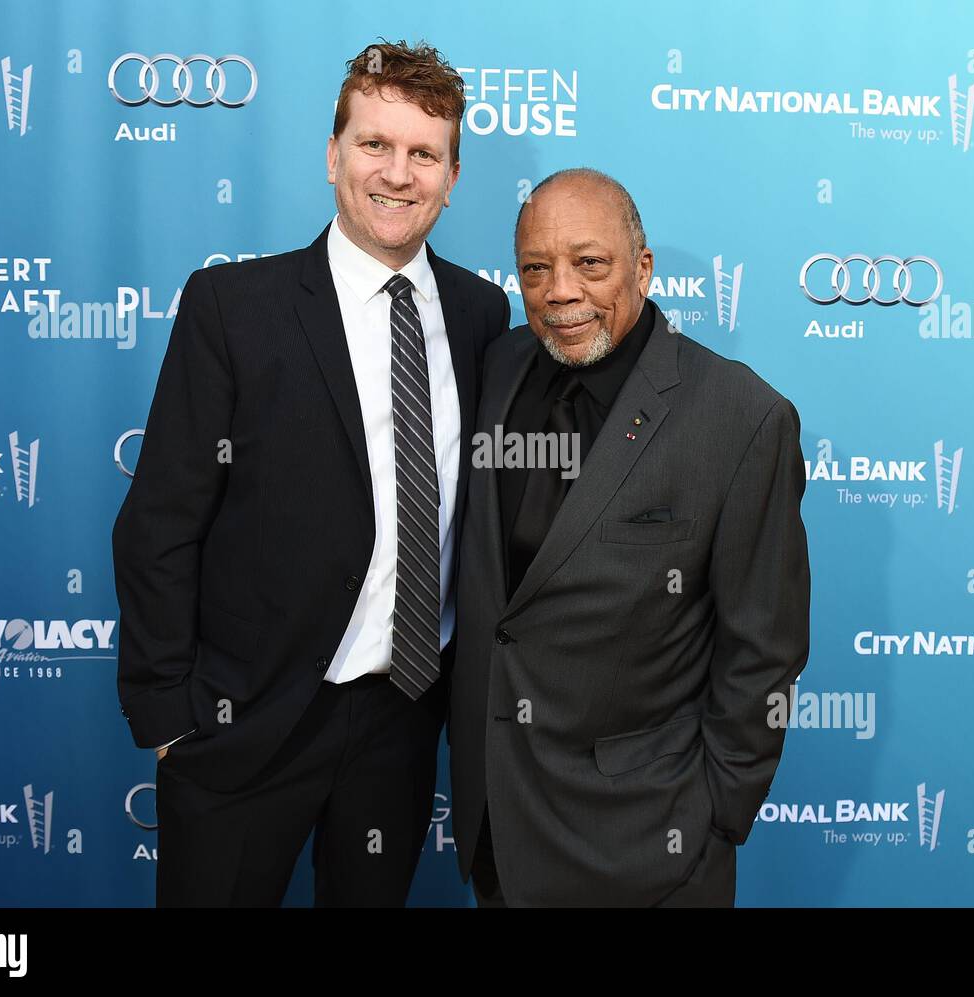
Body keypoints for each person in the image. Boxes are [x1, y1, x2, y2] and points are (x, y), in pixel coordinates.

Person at [113, 40, 508, 906]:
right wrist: (170, 717)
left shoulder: (485, 314)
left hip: (402, 720)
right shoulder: (234, 309)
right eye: (375, 145)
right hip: (243, 720)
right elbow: (159, 522)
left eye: (423, 154)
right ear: (333, 156)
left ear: (452, 175)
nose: (397, 174)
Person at [448, 168, 810, 906]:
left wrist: (715, 815)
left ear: (642, 268)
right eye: (536, 268)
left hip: (648, 844)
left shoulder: (743, 417)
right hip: (500, 832)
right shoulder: (498, 366)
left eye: (590, 262)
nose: (561, 291)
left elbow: (763, 648)